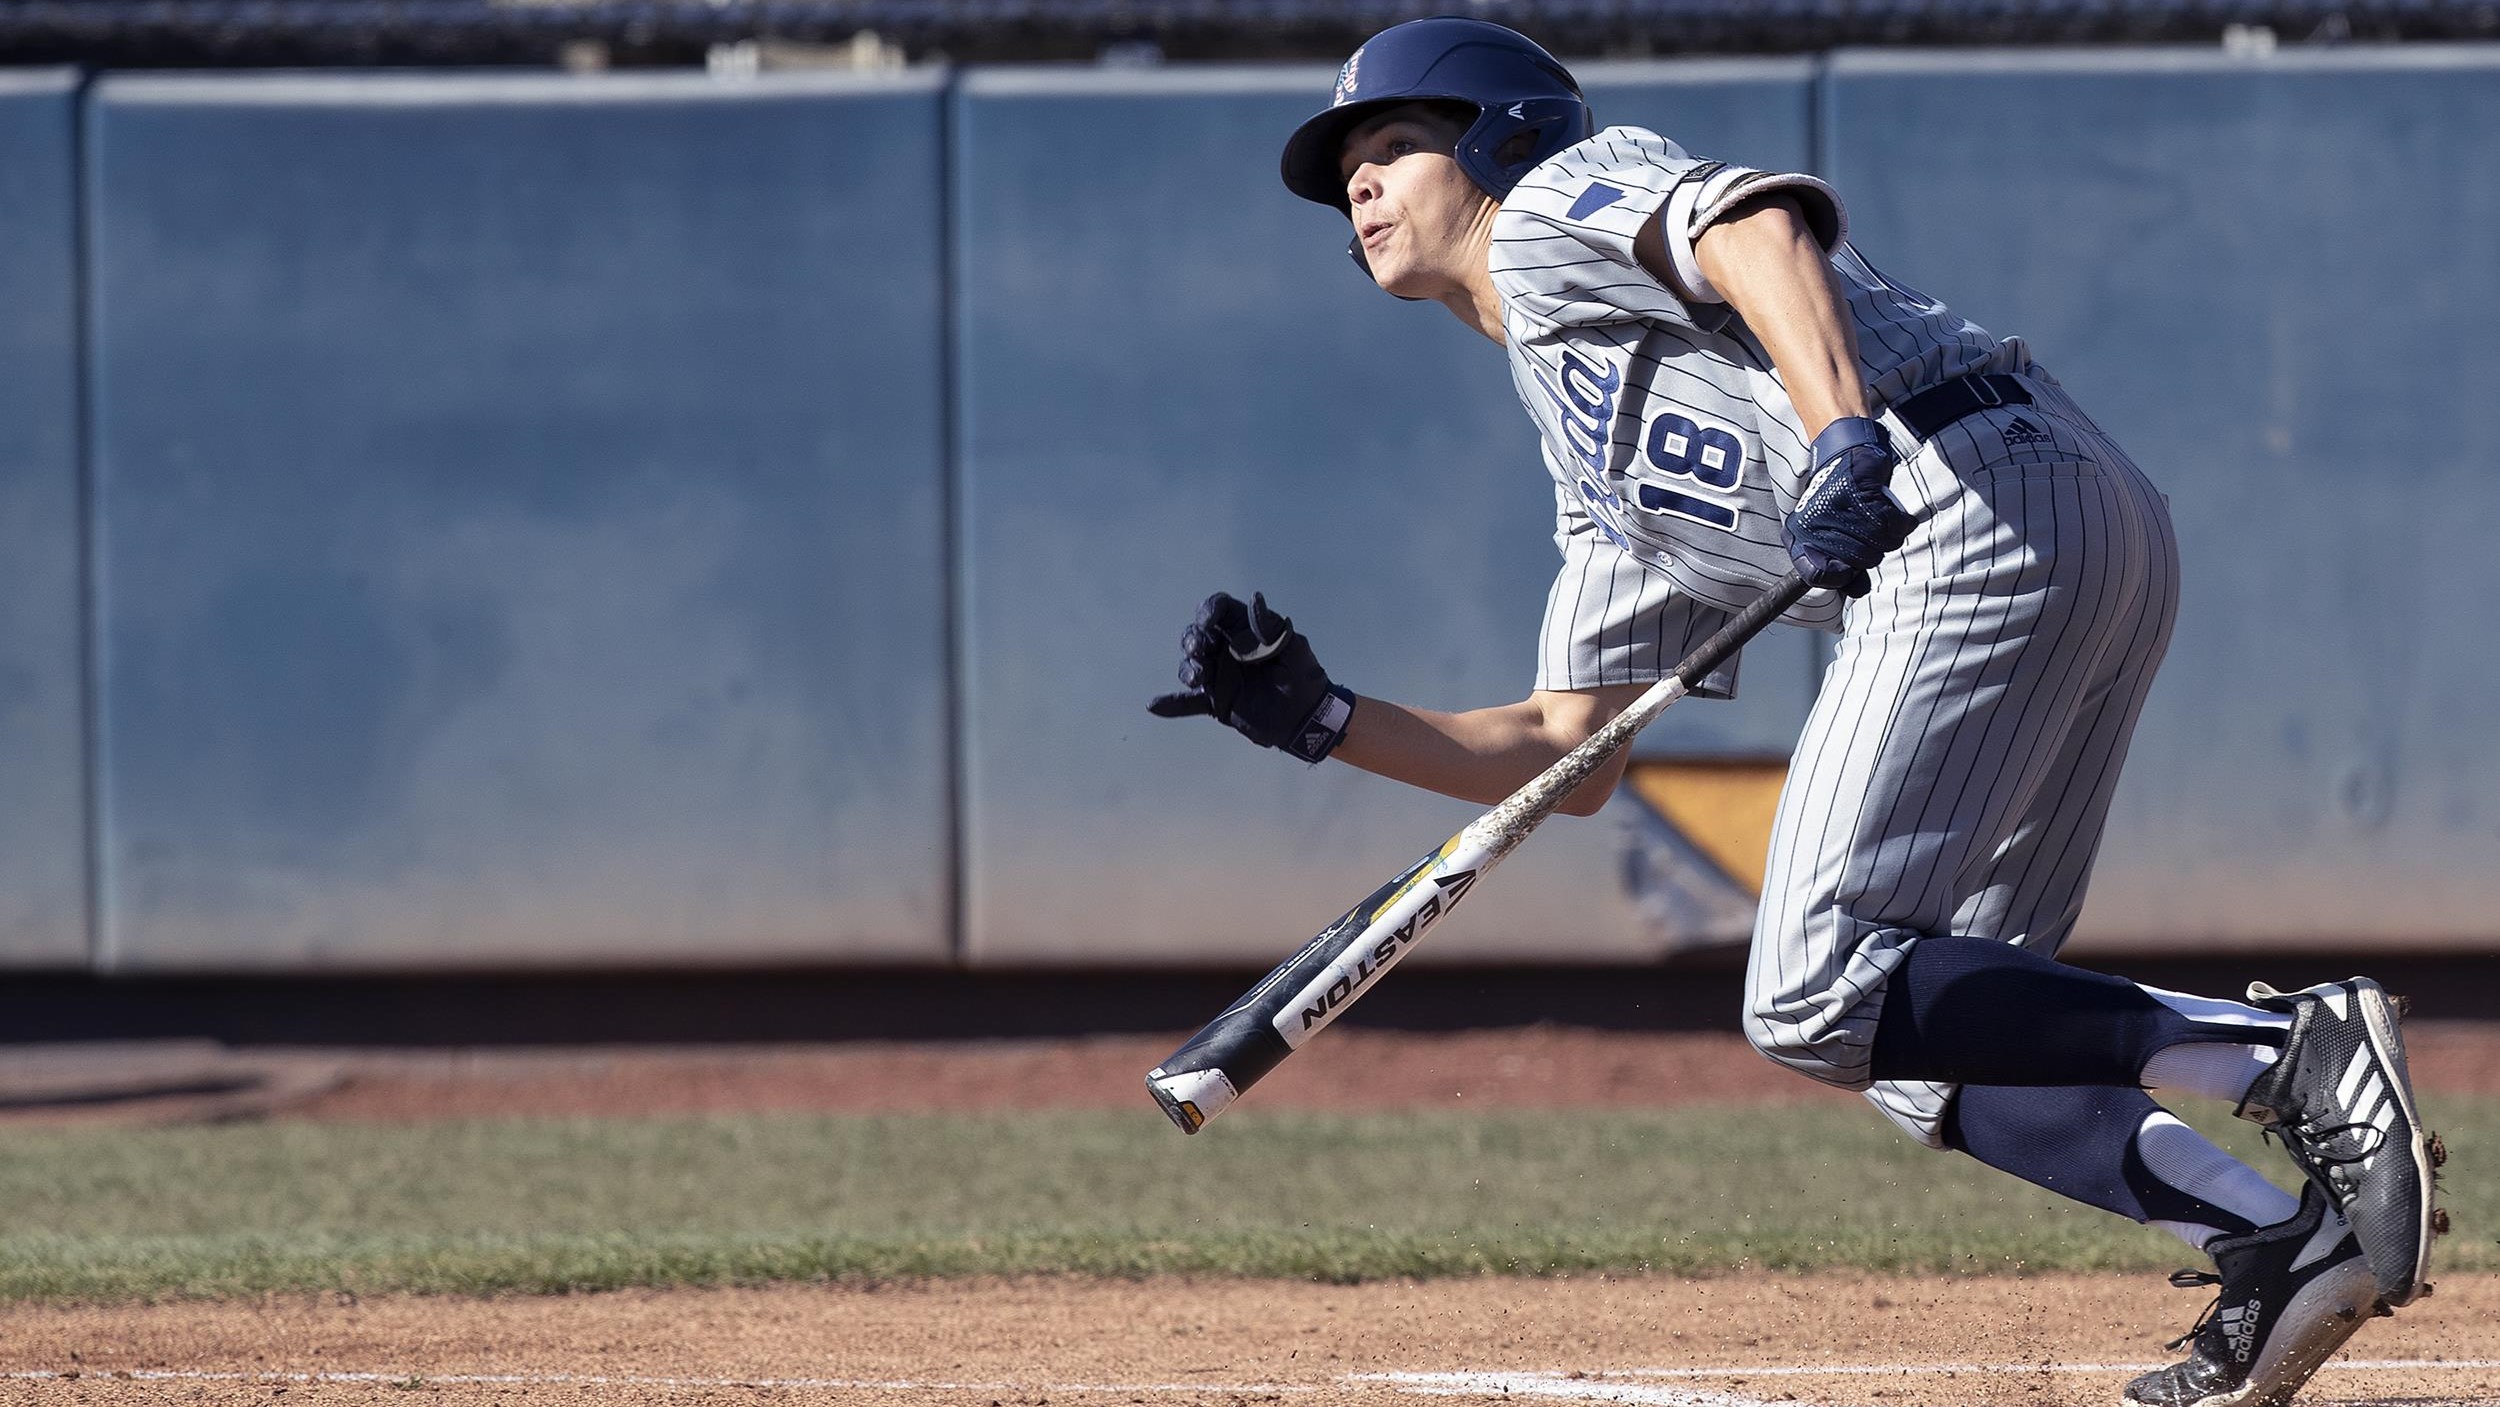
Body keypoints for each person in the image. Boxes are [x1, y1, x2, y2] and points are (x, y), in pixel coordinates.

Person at [1144, 17, 2445, 1407]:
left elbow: (1755, 227)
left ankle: (2292, 1055)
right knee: (1930, 1054)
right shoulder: (1586, 440)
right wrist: (1325, 716)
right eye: (1346, 162)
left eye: (1394, 141)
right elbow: (1565, 752)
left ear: (1499, 134)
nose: (1359, 178)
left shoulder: (1544, 210)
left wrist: (1836, 435)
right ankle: (2281, 1246)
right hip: (2061, 514)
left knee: (1813, 984)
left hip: (1971, 499)